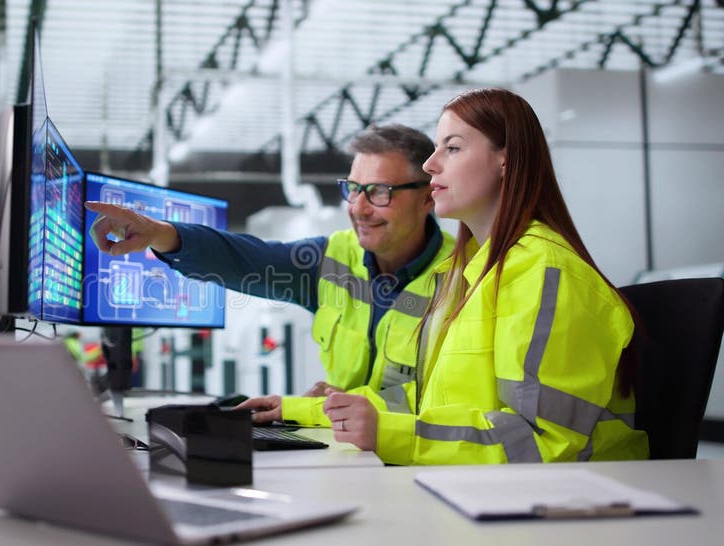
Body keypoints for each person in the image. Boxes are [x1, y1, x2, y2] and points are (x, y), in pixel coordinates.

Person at [318, 88, 649, 464]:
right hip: (481, 489)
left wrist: (391, 434)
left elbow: (543, 439)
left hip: (572, 504)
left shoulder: (542, 270)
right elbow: (427, 400)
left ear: (505, 160)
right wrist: (313, 411)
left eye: (452, 148)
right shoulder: (467, 274)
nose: (430, 165)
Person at [86, 124, 455, 426]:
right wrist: (159, 234)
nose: (358, 208)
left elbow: (440, 407)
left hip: (418, 468)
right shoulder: (333, 258)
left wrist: (313, 409)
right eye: (353, 189)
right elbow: (247, 260)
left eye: (379, 193)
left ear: (428, 198)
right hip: (348, 453)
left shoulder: (465, 279)